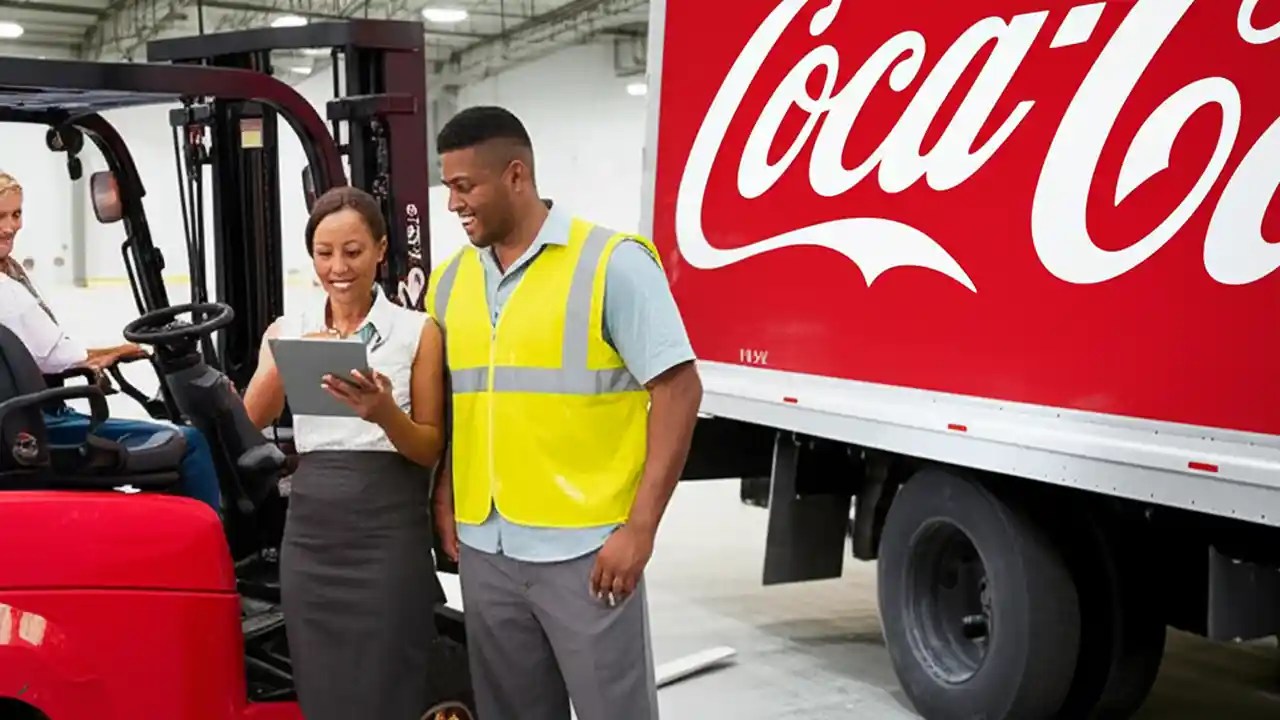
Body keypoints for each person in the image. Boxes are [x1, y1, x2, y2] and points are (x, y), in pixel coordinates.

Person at [427, 105, 704, 720]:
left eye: (464, 186)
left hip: (588, 554)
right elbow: (457, 405)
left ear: (516, 177)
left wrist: (640, 530)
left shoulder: (612, 263)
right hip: (486, 546)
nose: (452, 204)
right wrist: (445, 495)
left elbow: (680, 391)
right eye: (448, 188)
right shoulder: (447, 284)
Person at [242, 185, 448, 720]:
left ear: (381, 250)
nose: (338, 267)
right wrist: (282, 360)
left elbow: (428, 448)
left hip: (386, 536)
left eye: (353, 252)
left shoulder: (417, 332)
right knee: (323, 690)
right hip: (313, 540)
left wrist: (383, 413)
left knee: (390, 686)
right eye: (324, 253)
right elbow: (251, 421)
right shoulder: (291, 329)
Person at [0, 170, 223, 514]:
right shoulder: (7, 293)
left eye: (16, 214)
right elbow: (63, 358)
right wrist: (123, 350)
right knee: (189, 441)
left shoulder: (8, 278)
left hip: (23, 418)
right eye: (1, 216)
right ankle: (217, 552)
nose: (11, 226)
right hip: (38, 424)